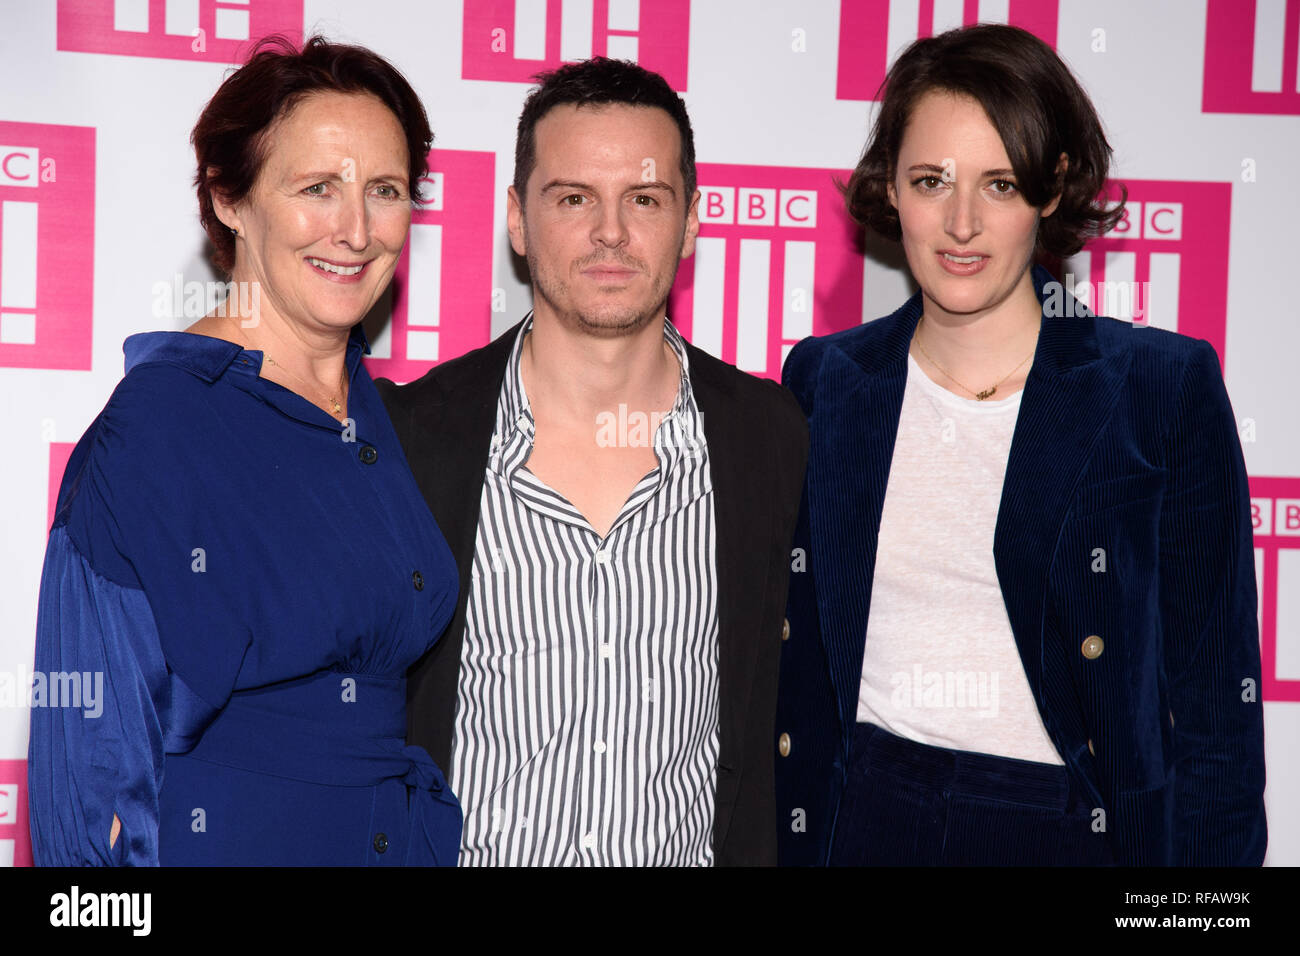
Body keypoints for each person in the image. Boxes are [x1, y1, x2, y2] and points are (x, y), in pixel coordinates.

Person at [775, 24, 1266, 866]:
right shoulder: (827, 380)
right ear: (891, 186)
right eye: (932, 180)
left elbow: (1217, 708)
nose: (962, 222)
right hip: (865, 821)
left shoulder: (1158, 389)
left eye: (1000, 183)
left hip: (1074, 833)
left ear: (1052, 187)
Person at [28, 36, 462, 865]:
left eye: (385, 190)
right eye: (317, 188)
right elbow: (85, 794)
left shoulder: (377, 419)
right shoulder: (156, 430)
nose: (358, 229)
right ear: (230, 197)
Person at [378, 57, 807, 865]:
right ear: (517, 218)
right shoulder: (412, 439)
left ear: (690, 222)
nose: (611, 232)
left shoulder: (767, 437)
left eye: (644, 199)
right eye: (573, 198)